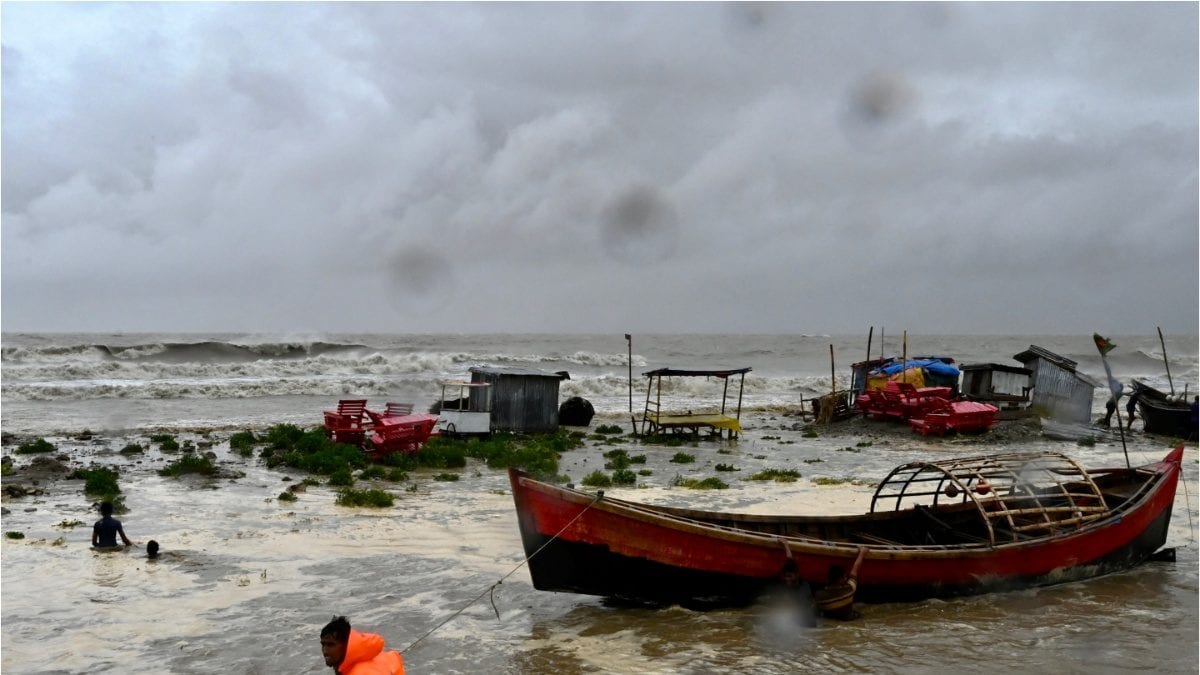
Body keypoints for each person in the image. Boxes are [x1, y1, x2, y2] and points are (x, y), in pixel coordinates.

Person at [320, 616, 404, 674]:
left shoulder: (362, 672)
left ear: (346, 645)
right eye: (323, 644)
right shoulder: (367, 655)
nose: (325, 650)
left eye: (330, 645)